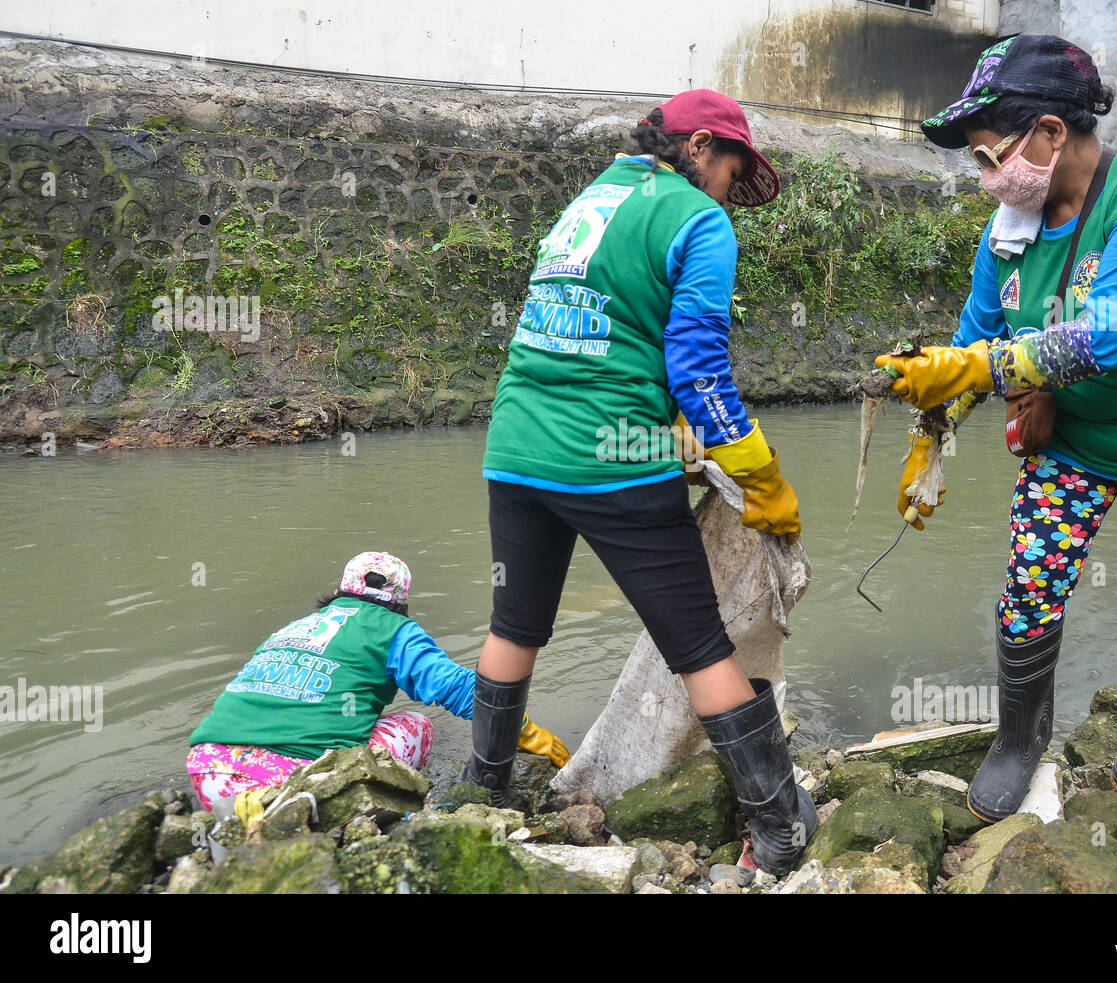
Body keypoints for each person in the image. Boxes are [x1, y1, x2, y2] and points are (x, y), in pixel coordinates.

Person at [876, 36, 1117, 861]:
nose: (985, 175)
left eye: (988, 154)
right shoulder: (1008, 234)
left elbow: (1104, 338)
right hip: (1069, 444)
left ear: (1047, 134)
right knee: (1030, 585)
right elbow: (973, 348)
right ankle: (1018, 743)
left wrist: (979, 363)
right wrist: (931, 436)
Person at [466, 89, 816, 875]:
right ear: (697, 149)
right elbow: (698, 368)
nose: (732, 186)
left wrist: (675, 430)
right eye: (731, 166)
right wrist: (761, 476)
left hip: (517, 446)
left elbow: (598, 331)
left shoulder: (591, 197)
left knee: (514, 623)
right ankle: (779, 827)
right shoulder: (698, 219)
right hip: (613, 459)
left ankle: (478, 793)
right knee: (699, 644)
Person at [186, 551, 568, 811]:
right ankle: (384, 812)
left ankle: (244, 816)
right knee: (415, 725)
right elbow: (463, 689)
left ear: (339, 592)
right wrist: (529, 732)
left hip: (208, 769)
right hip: (292, 779)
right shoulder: (393, 630)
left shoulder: (293, 629)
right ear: (400, 603)